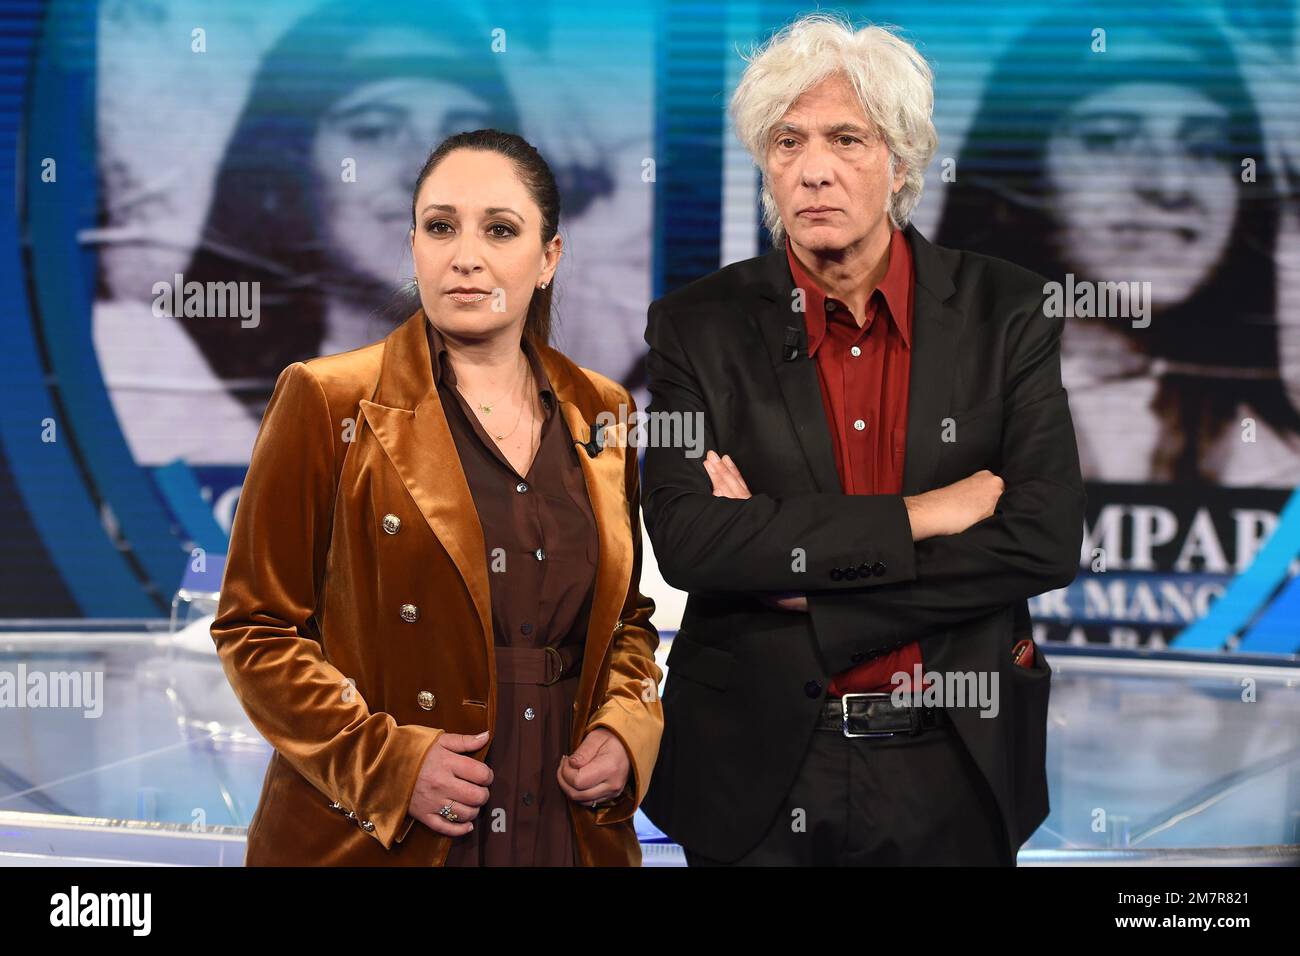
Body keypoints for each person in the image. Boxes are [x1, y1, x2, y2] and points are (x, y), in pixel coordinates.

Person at [639, 13, 1084, 865]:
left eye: (847, 138)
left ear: (903, 159)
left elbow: (1042, 538)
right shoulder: (698, 326)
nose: (812, 170)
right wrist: (920, 515)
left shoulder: (1007, 311)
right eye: (786, 141)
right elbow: (692, 542)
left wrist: (805, 577)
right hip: (757, 770)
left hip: (951, 760)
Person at [211, 129, 662, 866]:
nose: (466, 256)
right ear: (413, 243)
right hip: (392, 831)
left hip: (564, 822)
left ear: (549, 258)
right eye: (441, 226)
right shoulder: (327, 400)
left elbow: (627, 622)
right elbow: (255, 629)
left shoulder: (602, 410)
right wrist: (386, 764)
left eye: (501, 230)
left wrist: (626, 728)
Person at [935, 1, 1300, 486]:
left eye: (1204, 147)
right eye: (1107, 139)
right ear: (1017, 183)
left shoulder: (1272, 460)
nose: (1170, 183)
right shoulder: (905, 420)